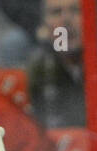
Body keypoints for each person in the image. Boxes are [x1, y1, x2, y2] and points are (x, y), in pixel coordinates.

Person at [25, 0, 86, 128]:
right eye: (56, 12)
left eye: (75, 10)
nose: (66, 20)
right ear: (44, 26)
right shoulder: (35, 72)